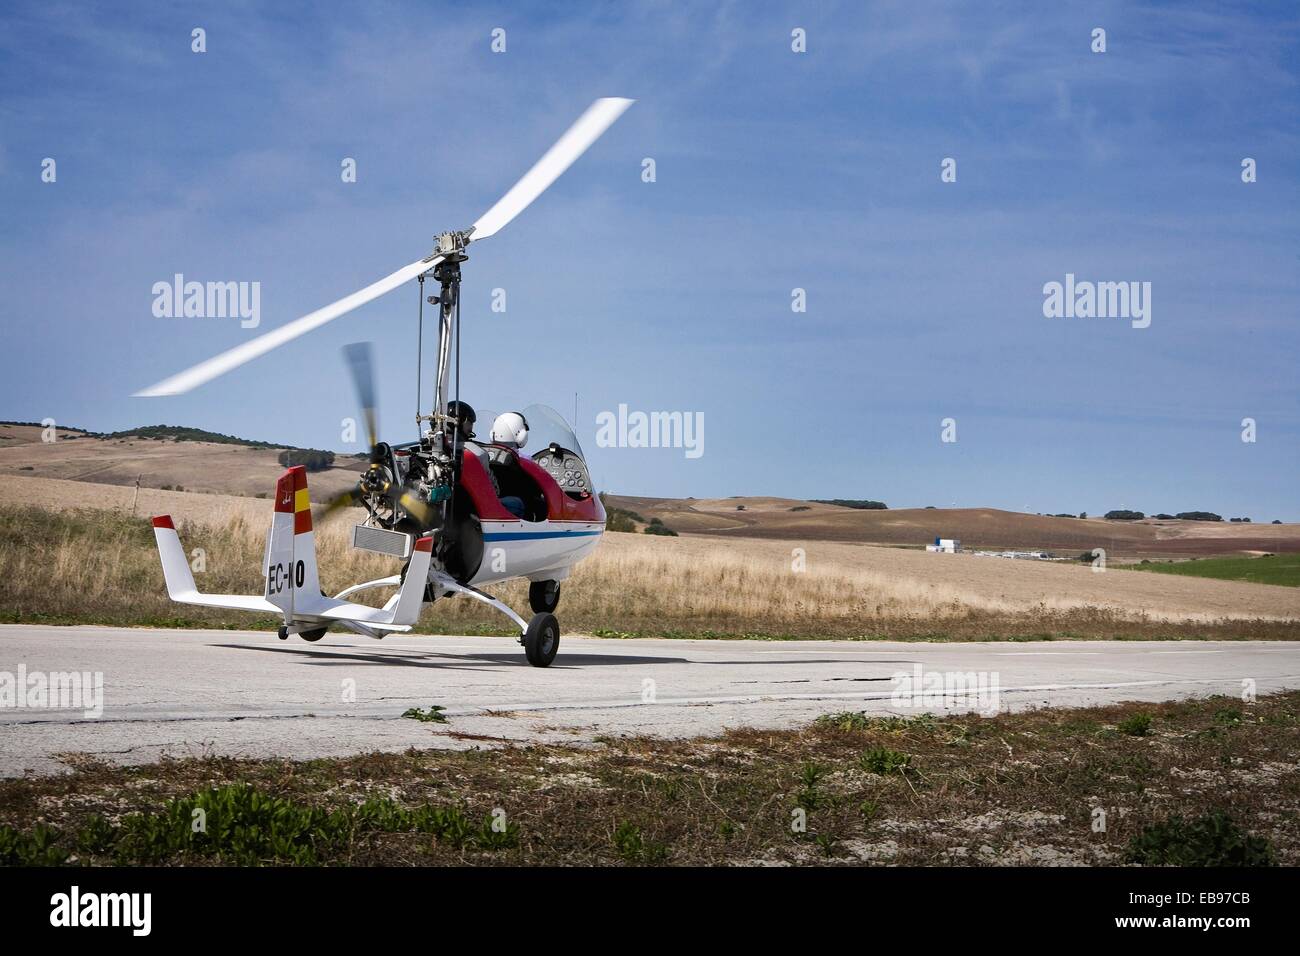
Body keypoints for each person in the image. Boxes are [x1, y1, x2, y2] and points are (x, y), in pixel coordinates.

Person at [446, 400, 527, 519]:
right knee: (518, 504)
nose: (471, 427)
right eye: (470, 422)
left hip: (450, 508)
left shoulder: (434, 449)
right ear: (461, 421)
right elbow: (494, 491)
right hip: (477, 510)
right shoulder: (477, 452)